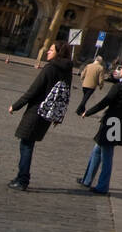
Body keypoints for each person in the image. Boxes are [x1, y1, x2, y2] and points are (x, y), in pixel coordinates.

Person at [6, 40, 73, 191]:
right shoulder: (67, 70)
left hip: (36, 111)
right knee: (28, 143)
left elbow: (33, 91)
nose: (48, 52)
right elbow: (65, 96)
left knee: (26, 145)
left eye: (51, 50)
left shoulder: (50, 68)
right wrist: (58, 116)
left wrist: (15, 106)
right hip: (49, 113)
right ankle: (21, 177)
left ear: (58, 52)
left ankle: (22, 179)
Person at [79, 63, 122, 195]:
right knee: (97, 151)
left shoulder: (119, 86)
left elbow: (105, 102)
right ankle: (87, 180)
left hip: (111, 123)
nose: (119, 71)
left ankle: (102, 187)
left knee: (107, 155)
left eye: (121, 69)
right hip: (119, 124)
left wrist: (88, 112)